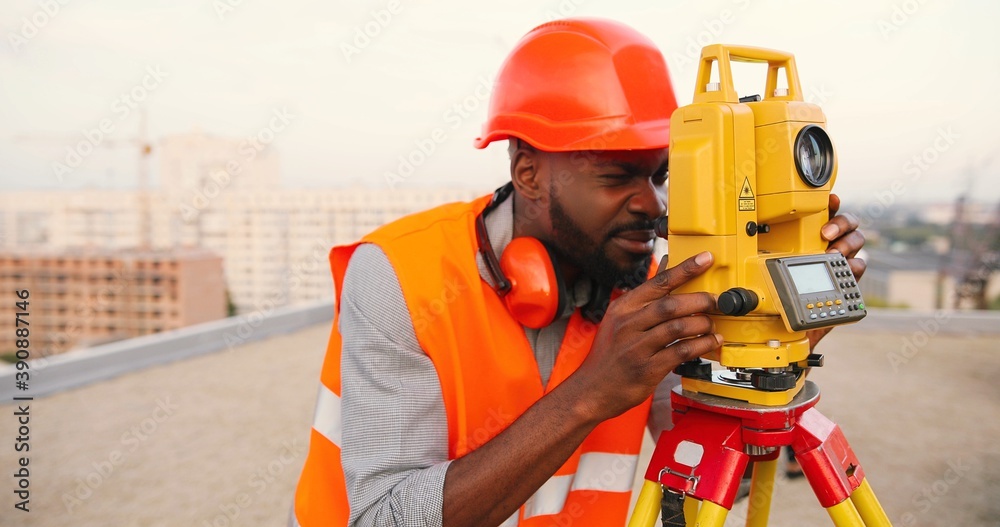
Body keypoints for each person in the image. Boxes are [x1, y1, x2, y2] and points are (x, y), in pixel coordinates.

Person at [290, 17, 866, 527]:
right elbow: (382, 519)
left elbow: (720, 480)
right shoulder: (401, 276)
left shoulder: (647, 284)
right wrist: (589, 395)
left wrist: (778, 330)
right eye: (618, 177)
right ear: (529, 173)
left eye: (660, 176)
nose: (653, 204)